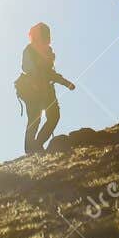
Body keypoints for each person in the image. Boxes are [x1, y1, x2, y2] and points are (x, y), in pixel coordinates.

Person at [15, 22, 75, 154]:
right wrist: (38, 71)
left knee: (54, 116)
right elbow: (26, 68)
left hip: (46, 89)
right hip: (31, 90)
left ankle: (37, 145)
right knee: (35, 119)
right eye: (45, 33)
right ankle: (31, 150)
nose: (48, 36)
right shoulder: (29, 50)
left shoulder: (48, 50)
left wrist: (65, 82)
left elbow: (50, 72)